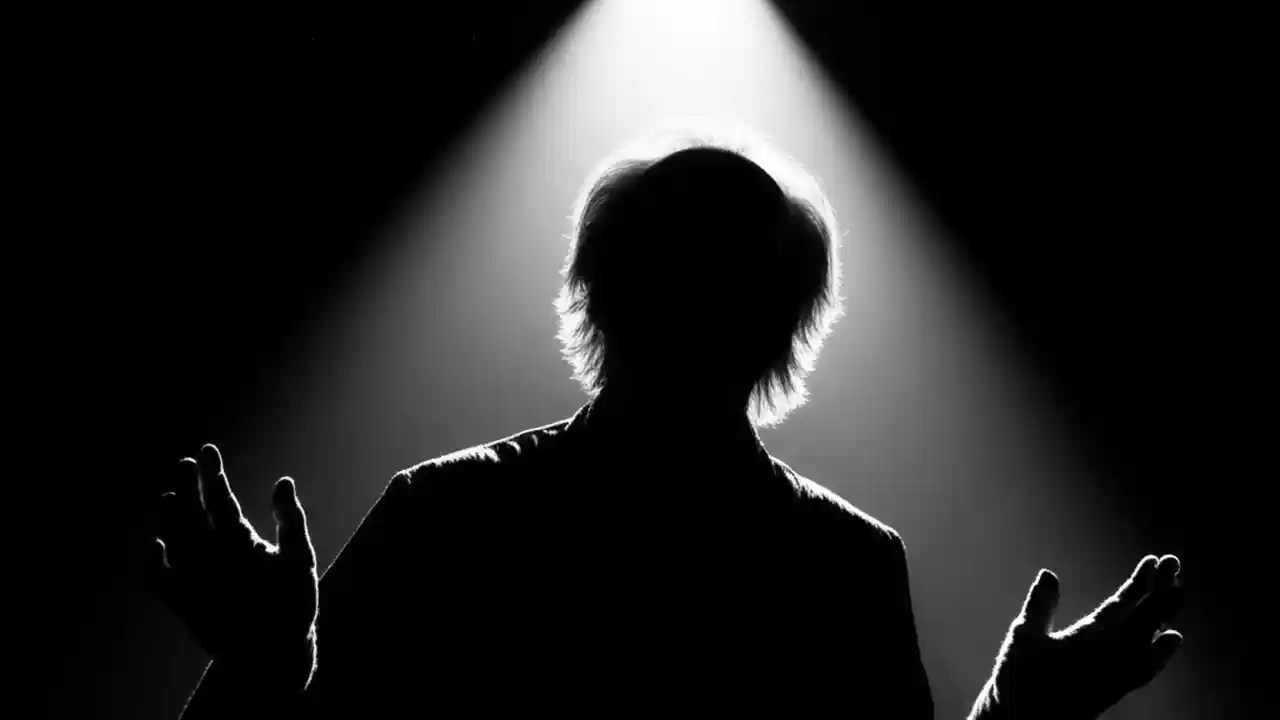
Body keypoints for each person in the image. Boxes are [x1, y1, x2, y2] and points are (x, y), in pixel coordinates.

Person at [147, 124, 1185, 718]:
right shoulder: (837, 564)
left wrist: (258, 672)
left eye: (726, 277)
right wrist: (257, 669)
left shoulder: (845, 566)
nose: (694, 303)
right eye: (671, 266)